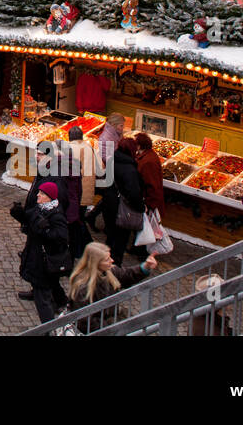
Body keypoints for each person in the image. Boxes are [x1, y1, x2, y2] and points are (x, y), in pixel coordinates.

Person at [10, 181, 70, 323]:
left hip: (44, 260)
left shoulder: (56, 215)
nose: (38, 195)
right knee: (52, 285)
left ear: (49, 197)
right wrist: (18, 213)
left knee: (42, 298)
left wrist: (45, 230)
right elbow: (28, 218)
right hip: (37, 257)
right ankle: (63, 302)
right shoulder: (39, 209)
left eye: (42, 193)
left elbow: (61, 237)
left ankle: (48, 328)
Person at [66, 243, 156, 333]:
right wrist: (111, 330)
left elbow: (127, 275)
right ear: (95, 263)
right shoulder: (83, 289)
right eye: (107, 259)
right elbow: (85, 322)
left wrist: (145, 267)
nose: (112, 260)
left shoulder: (110, 271)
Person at [100, 135, 145, 265]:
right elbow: (134, 193)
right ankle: (113, 271)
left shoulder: (111, 162)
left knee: (110, 239)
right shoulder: (130, 170)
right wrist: (141, 207)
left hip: (108, 205)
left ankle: (104, 266)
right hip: (121, 209)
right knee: (119, 244)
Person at [66, 127, 97, 259]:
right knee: (79, 218)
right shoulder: (89, 147)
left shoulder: (70, 149)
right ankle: (86, 244)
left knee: (76, 220)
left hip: (77, 191)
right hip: (88, 189)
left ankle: (81, 247)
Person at [134, 131, 166, 256]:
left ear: (139, 146)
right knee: (142, 227)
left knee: (145, 228)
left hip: (149, 200)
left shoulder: (148, 161)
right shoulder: (147, 157)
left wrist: (149, 204)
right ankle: (137, 249)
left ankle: (143, 254)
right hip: (147, 199)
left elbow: (151, 184)